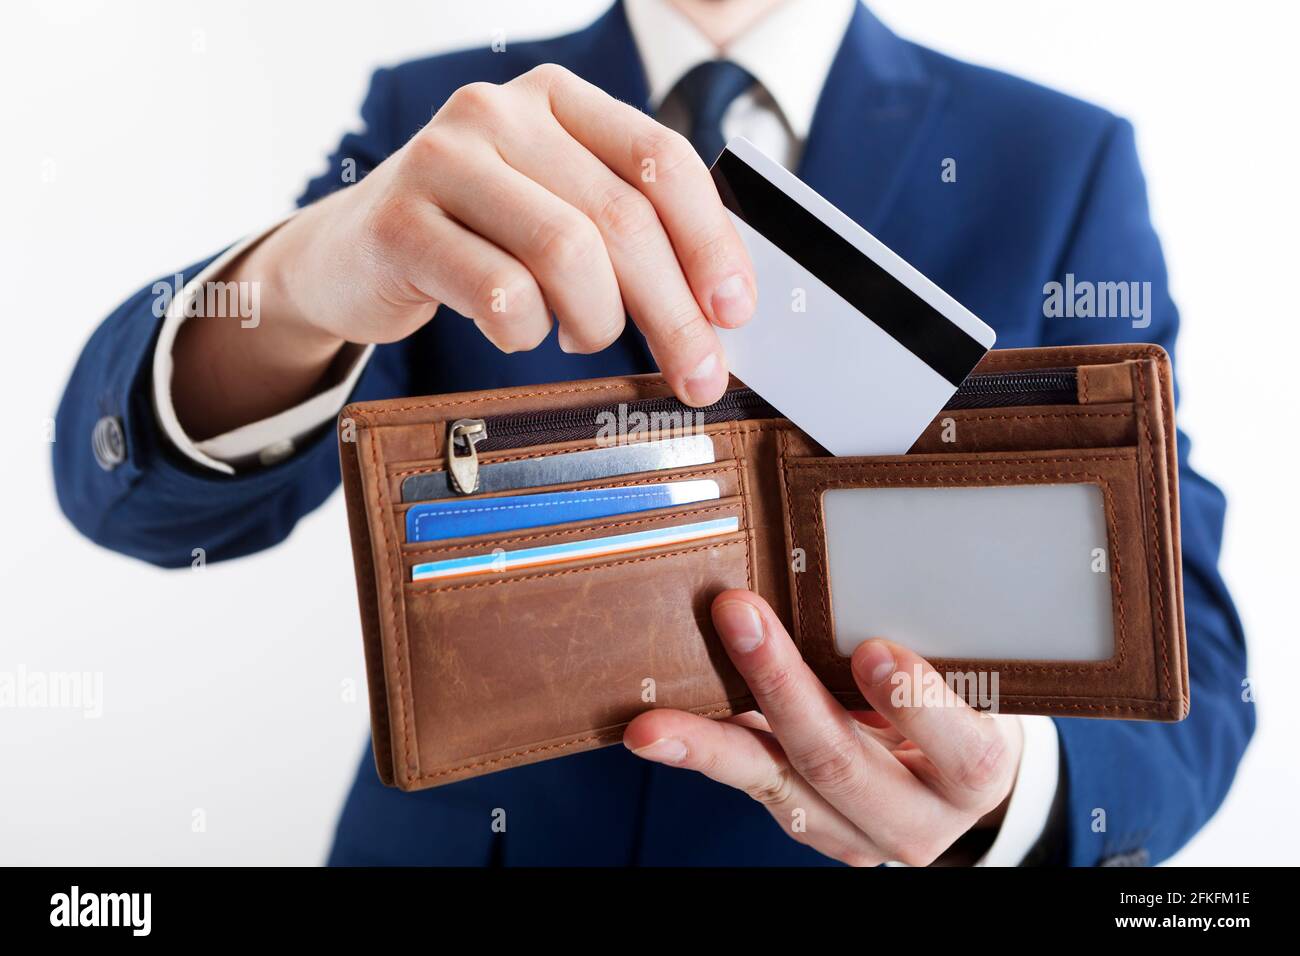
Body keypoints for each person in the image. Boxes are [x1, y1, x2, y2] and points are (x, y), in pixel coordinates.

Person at [53, 0, 1253, 866]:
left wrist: (1010, 797)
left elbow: (1190, 654)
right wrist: (310, 270)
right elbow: (139, 499)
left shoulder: (1059, 156)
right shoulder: (430, 112)